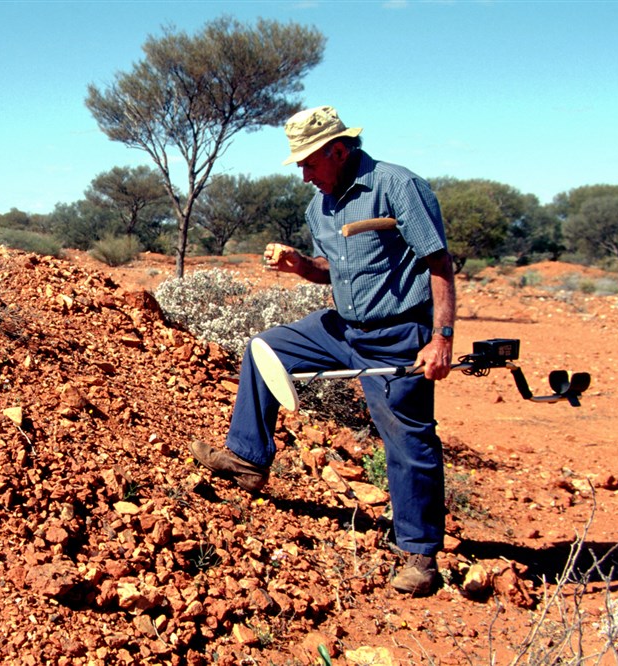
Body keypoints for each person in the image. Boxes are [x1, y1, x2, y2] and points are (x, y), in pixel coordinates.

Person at [190, 105, 456, 596]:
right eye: (300, 165)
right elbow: (329, 270)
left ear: (339, 149)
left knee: (407, 441)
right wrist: (299, 265)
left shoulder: (397, 186)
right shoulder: (321, 206)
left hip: (398, 334)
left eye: (310, 162)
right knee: (265, 348)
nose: (304, 174)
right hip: (343, 329)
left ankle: (419, 554)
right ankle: (249, 458)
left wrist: (441, 338)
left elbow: (439, 261)